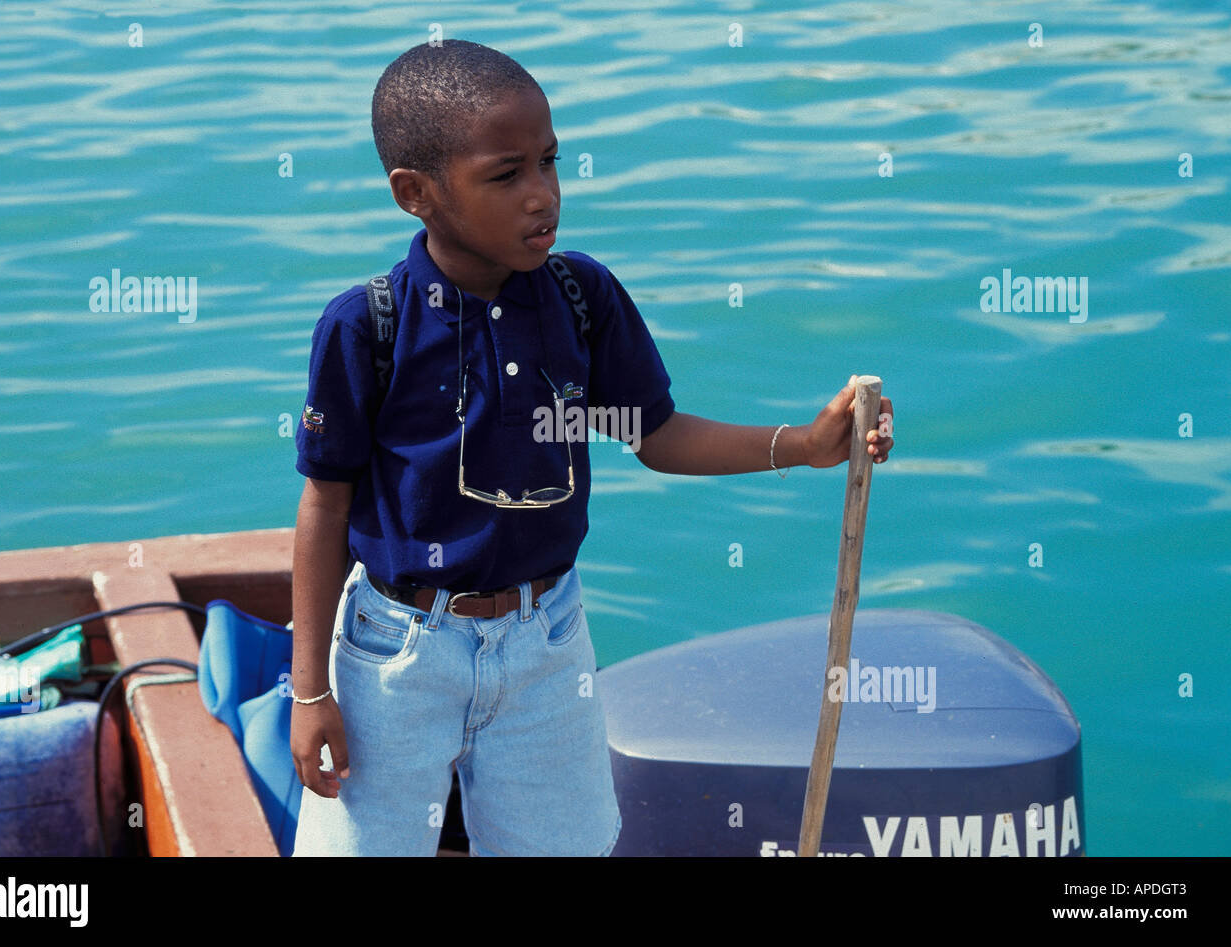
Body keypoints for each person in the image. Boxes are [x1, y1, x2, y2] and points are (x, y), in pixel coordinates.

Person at [288, 38, 894, 857]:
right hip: (397, 651)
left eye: (550, 162)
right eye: (506, 175)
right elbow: (325, 505)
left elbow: (656, 435)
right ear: (415, 194)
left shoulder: (582, 299)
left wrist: (807, 445)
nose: (544, 196)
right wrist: (310, 692)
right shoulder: (367, 328)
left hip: (547, 644)